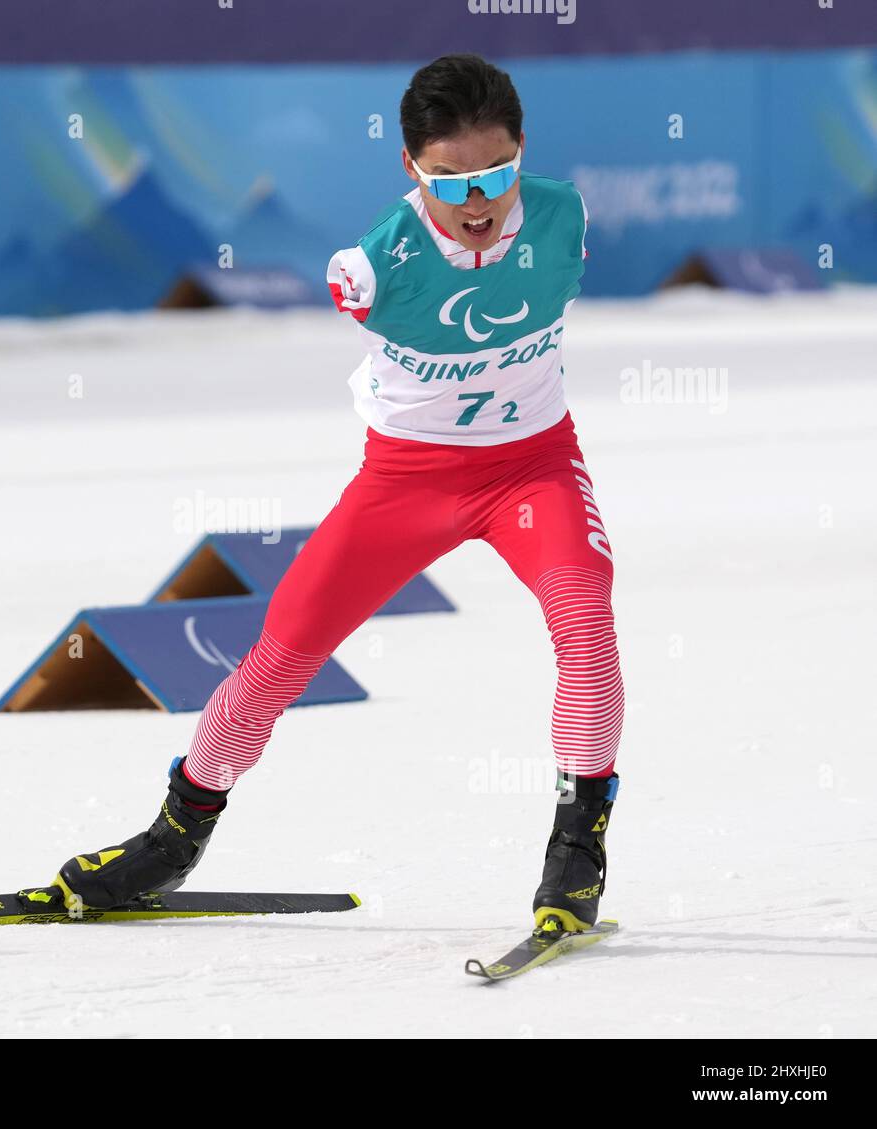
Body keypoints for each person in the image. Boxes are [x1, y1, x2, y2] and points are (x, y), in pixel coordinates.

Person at [37, 53, 623, 934]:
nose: (477, 200)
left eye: (496, 173)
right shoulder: (372, 269)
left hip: (530, 467)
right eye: (449, 179)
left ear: (522, 155)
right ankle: (170, 840)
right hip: (407, 482)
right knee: (278, 660)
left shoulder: (563, 214)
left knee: (586, 627)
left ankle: (577, 854)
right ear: (409, 170)